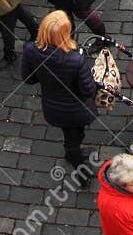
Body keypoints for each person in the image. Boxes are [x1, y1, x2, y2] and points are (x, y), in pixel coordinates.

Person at [21, 10, 97, 169]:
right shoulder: (76, 60)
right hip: (77, 109)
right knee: (76, 135)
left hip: (52, 106)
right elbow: (88, 90)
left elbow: (29, 78)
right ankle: (76, 161)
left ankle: (72, 151)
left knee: (68, 132)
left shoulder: (30, 50)